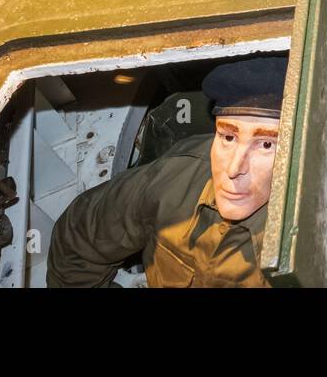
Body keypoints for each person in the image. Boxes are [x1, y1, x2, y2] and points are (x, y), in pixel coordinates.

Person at [47, 56, 287, 288]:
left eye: (266, 144)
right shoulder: (179, 177)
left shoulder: (313, 239)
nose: (234, 168)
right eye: (228, 136)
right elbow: (80, 234)